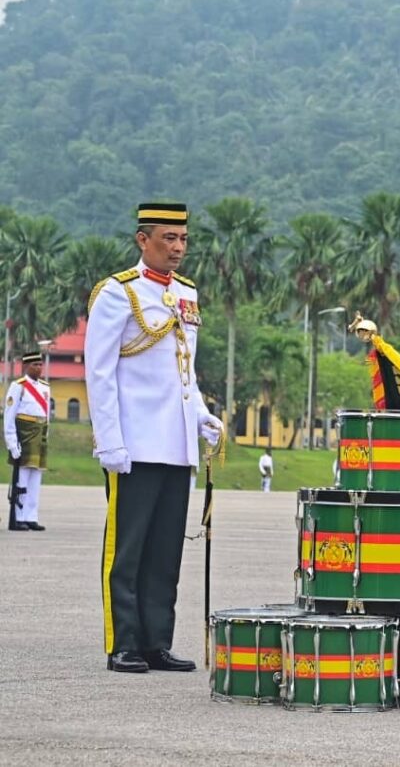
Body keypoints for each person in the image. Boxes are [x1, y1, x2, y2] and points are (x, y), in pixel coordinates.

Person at [85, 202, 223, 674]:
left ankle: (155, 642)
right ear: (143, 240)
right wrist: (110, 442)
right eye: (168, 238)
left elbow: (183, 368)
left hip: (176, 442)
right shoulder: (116, 293)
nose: (178, 248)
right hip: (134, 442)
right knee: (127, 549)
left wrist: (203, 415)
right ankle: (122, 642)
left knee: (165, 549)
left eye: (183, 239)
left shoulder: (186, 292)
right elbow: (99, 372)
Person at [3, 351, 49, 531]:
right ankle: (19, 516)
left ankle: (31, 516)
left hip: (40, 437)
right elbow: (9, 416)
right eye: (34, 365)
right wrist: (12, 444)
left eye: (40, 364)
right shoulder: (18, 386)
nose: (38, 368)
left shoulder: (45, 387)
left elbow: (45, 417)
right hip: (24, 437)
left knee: (35, 479)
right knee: (21, 479)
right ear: (26, 366)